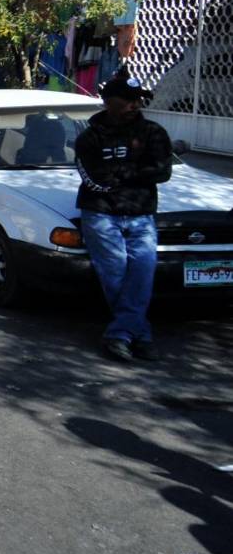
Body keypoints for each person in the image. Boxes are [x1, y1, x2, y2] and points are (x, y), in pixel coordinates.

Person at [74, 72, 174, 362]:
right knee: (116, 273)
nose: (135, 104)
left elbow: (162, 171)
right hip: (101, 213)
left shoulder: (153, 132)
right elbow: (97, 178)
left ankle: (121, 334)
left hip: (141, 214)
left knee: (141, 273)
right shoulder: (89, 137)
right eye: (128, 99)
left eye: (138, 99)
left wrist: (127, 173)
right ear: (109, 103)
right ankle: (140, 335)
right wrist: (134, 173)